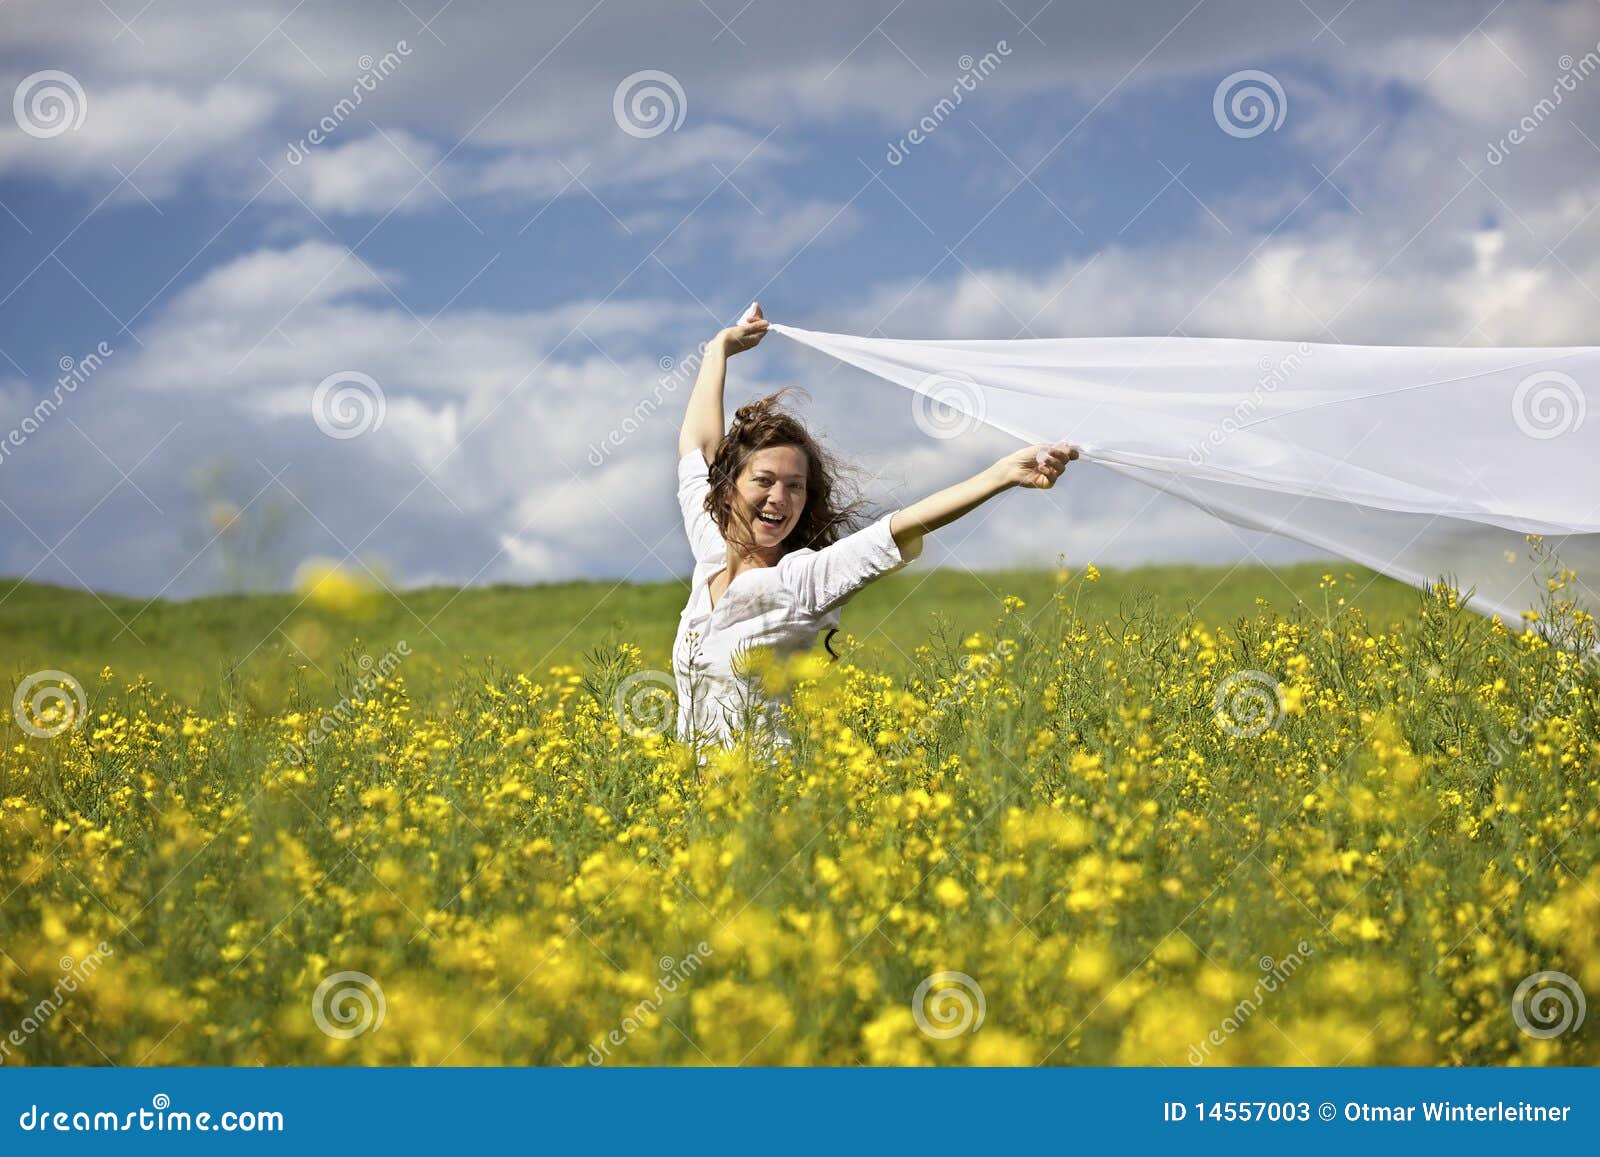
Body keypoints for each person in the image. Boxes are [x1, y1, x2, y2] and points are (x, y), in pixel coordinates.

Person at [674, 302, 1077, 748]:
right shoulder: (710, 549)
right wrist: (720, 348)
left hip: (764, 801)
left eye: (795, 486)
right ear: (727, 488)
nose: (779, 499)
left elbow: (893, 530)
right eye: (764, 481)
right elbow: (697, 444)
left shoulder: (798, 582)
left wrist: (1002, 475)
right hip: (693, 810)